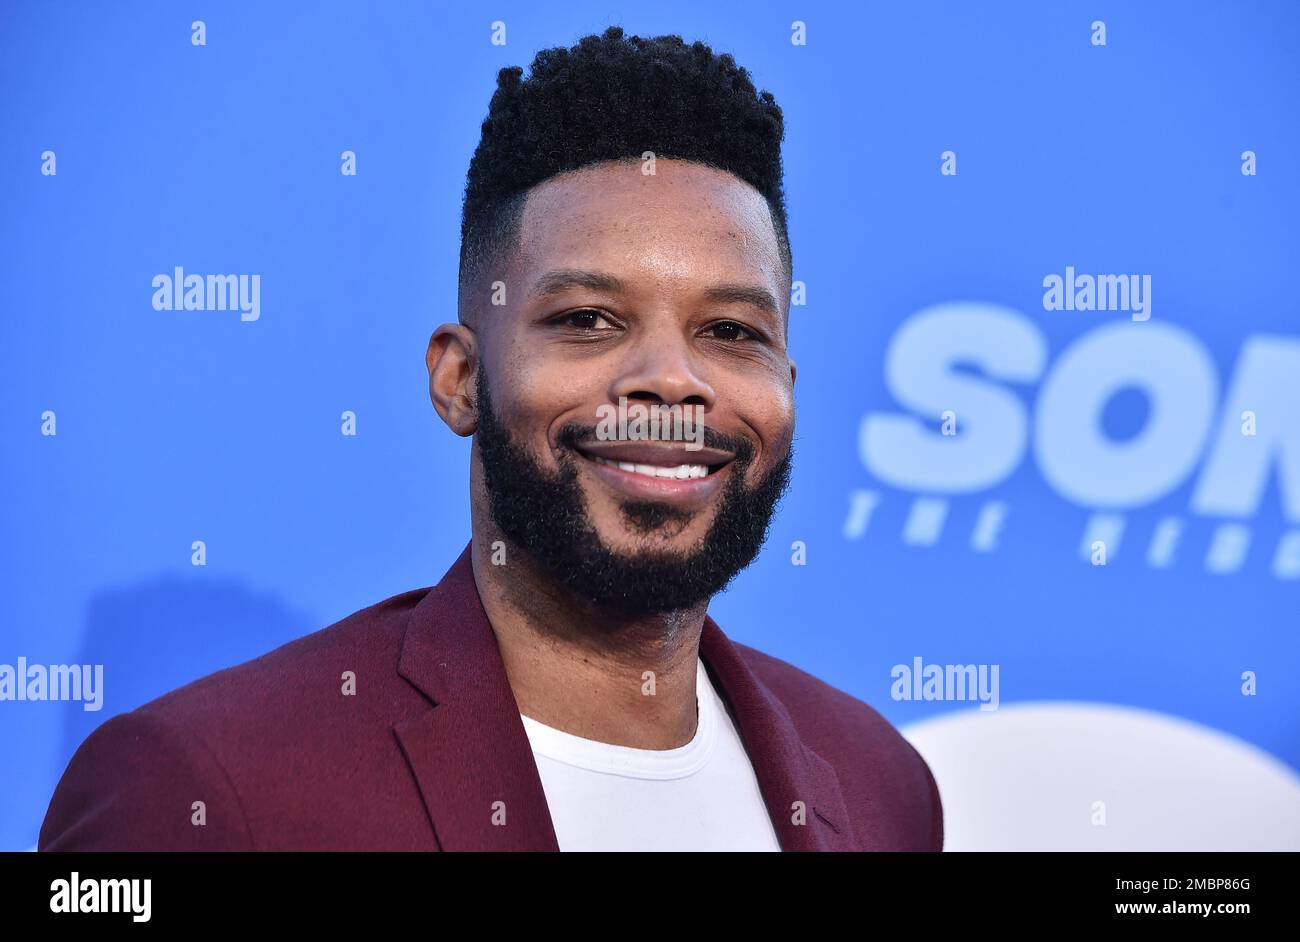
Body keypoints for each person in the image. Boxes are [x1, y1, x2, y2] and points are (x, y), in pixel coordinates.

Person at [39, 25, 942, 852]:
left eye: (733, 332)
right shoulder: (206, 787)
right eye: (589, 318)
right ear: (459, 378)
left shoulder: (878, 785)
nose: (674, 380)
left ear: (787, 384)